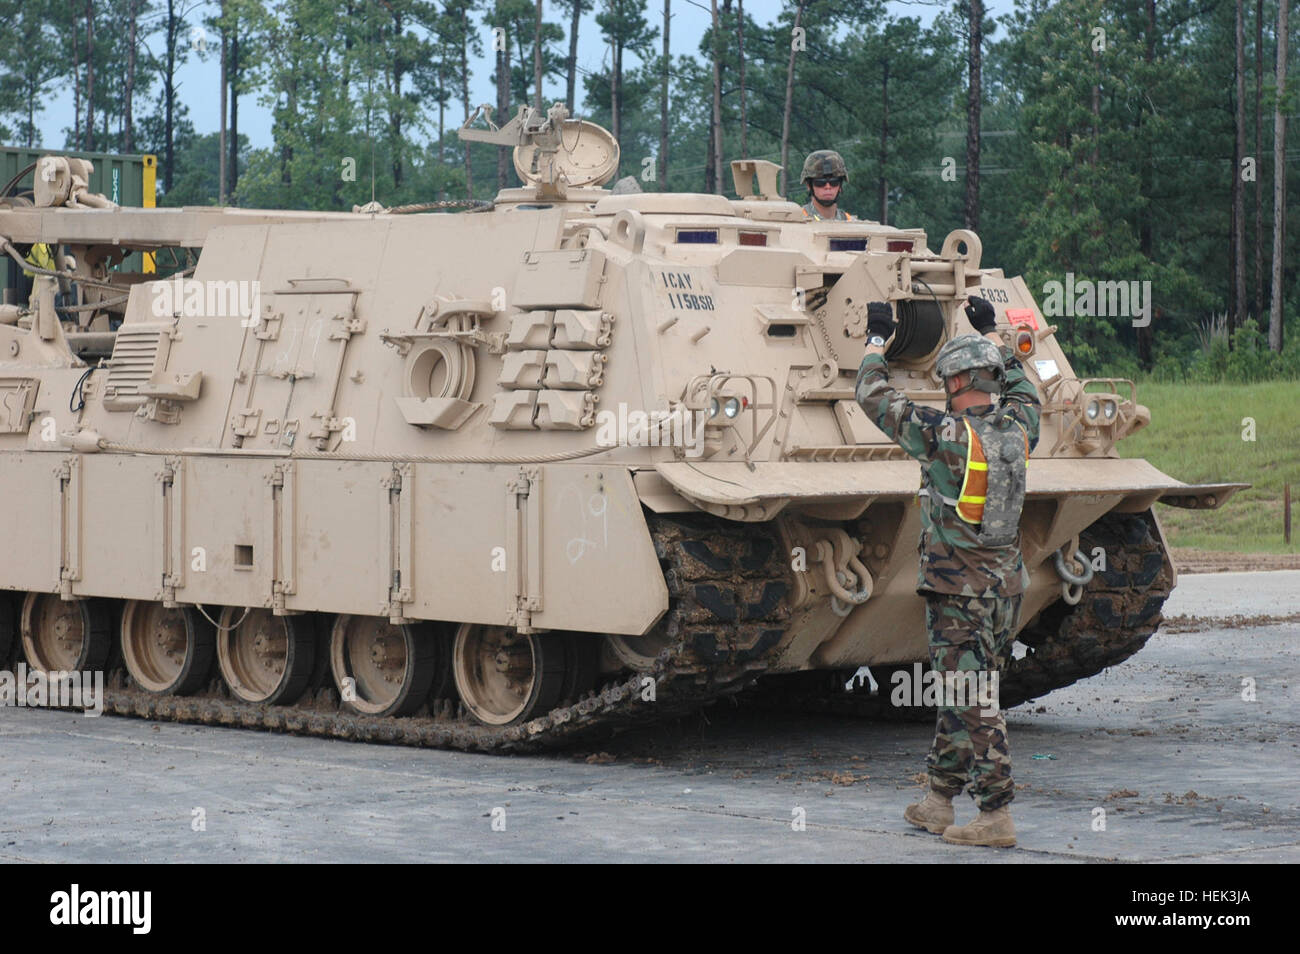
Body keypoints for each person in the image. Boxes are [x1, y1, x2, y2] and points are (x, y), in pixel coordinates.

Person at [854, 296, 1041, 848]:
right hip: (1006, 589)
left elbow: (872, 395)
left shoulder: (944, 437)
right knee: (964, 691)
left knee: (972, 696)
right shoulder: (1019, 428)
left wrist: (874, 343)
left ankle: (995, 813)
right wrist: (994, 335)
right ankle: (939, 799)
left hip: (957, 594)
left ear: (956, 383)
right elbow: (1028, 390)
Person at [799, 150, 854, 221]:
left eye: (834, 182)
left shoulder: (850, 222)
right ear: (809, 185)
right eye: (820, 183)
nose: (828, 187)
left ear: (840, 186)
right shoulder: (797, 219)